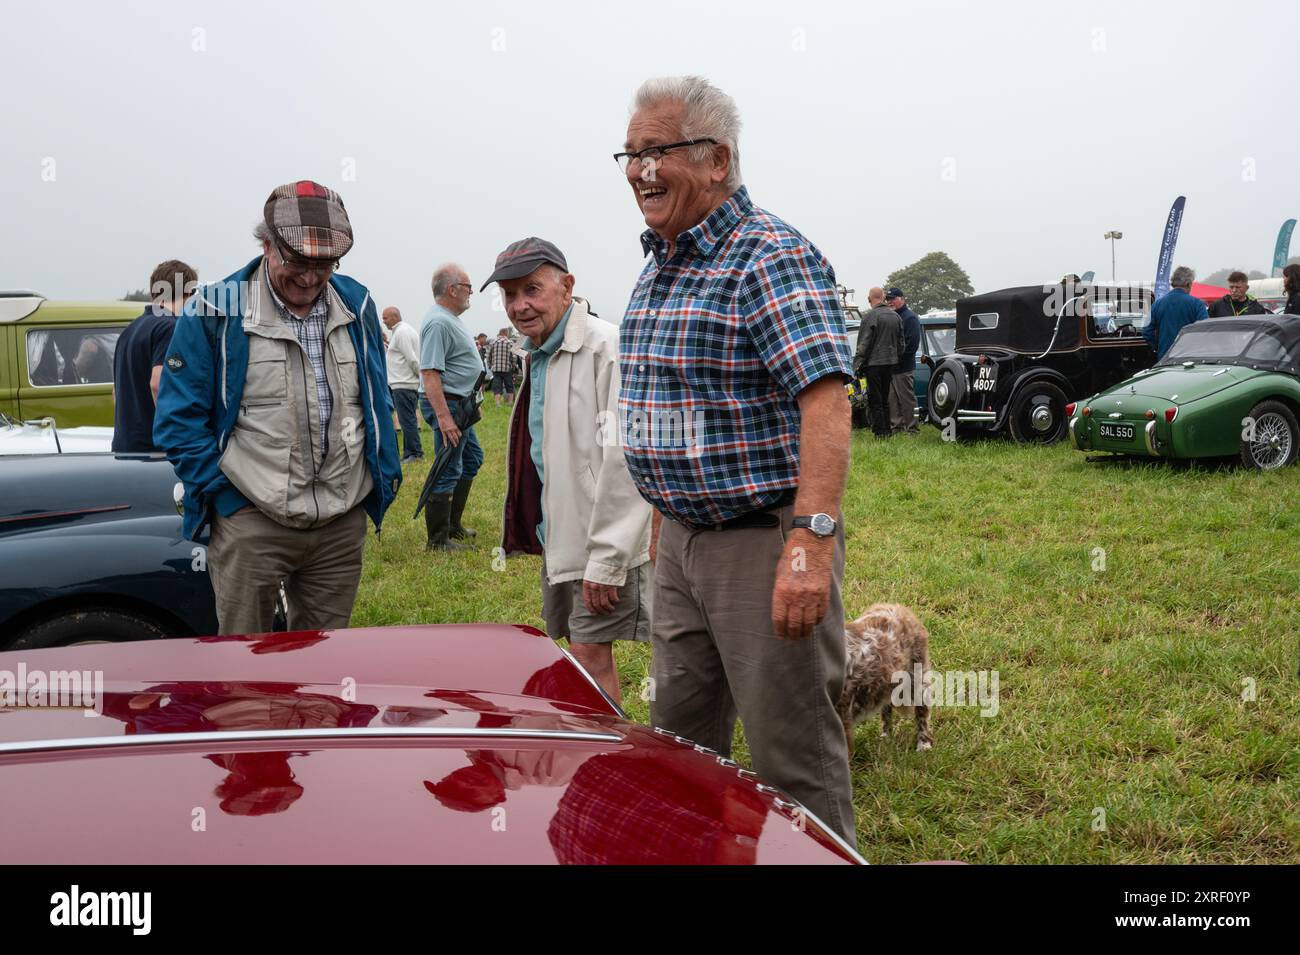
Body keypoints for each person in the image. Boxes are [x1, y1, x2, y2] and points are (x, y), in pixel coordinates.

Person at [616, 75, 856, 843]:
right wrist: (664, 523)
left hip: (763, 542)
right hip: (682, 544)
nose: (640, 170)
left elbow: (826, 401)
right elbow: (676, 404)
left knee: (793, 757)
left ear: (717, 160)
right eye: (631, 153)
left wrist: (811, 542)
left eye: (658, 152)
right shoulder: (662, 261)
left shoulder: (769, 255)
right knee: (679, 747)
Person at [154, 180, 401, 634]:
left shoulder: (358, 303)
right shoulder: (214, 310)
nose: (309, 277)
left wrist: (374, 482)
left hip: (340, 525)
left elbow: (376, 399)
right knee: (248, 666)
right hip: (252, 524)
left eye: (324, 264)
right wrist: (227, 500)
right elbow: (177, 420)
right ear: (265, 244)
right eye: (297, 262)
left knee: (325, 664)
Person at [490, 237, 653, 704]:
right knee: (578, 649)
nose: (519, 305)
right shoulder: (536, 353)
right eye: (509, 295)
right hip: (561, 530)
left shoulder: (607, 347)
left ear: (567, 286)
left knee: (588, 651)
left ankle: (606, 760)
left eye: (532, 290)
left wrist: (607, 557)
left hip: (599, 535)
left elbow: (626, 462)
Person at [419, 263, 484, 550]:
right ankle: (438, 540)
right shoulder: (438, 322)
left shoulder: (449, 318)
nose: (471, 292)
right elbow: (430, 373)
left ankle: (453, 525)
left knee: (472, 459)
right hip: (449, 405)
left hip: (461, 404)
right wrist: (445, 418)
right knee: (448, 467)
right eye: (468, 287)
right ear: (452, 289)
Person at [112, 259, 196, 453]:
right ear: (189, 293)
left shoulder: (129, 330)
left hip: (124, 447)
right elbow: (158, 384)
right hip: (154, 450)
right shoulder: (170, 327)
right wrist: (173, 438)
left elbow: (116, 393)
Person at [854, 286, 902, 438]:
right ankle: (887, 430)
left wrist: (857, 364)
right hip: (890, 363)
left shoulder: (870, 317)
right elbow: (901, 343)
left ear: (870, 299)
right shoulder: (896, 316)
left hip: (874, 364)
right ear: (882, 297)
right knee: (885, 398)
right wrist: (896, 359)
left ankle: (880, 432)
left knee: (875, 399)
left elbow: (863, 344)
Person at [382, 306, 423, 463]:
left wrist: (420, 377)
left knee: (407, 421)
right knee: (407, 419)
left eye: (385, 318)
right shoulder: (403, 331)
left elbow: (412, 359)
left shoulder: (402, 332)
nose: (383, 321)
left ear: (395, 316)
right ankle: (409, 452)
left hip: (404, 383)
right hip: (404, 383)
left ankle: (414, 453)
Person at [1143, 265, 1208, 359]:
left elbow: (1146, 331)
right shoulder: (1197, 304)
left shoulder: (1157, 304)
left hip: (1164, 357)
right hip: (1190, 357)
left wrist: (1157, 347)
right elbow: (1205, 329)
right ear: (1189, 284)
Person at [885, 286, 921, 435]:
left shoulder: (910, 317)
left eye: (893, 299)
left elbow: (912, 345)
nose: (890, 302)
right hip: (891, 366)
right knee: (892, 400)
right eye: (888, 299)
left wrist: (897, 359)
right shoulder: (891, 317)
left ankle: (912, 429)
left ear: (902, 299)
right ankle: (897, 428)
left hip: (904, 367)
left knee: (907, 400)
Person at [485, 327, 518, 407]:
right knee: (509, 386)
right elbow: (514, 357)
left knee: (497, 386)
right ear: (506, 333)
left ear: (500, 333)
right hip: (507, 368)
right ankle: (510, 403)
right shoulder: (510, 343)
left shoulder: (493, 342)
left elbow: (488, 355)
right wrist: (513, 367)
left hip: (496, 368)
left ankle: (498, 404)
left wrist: (490, 365)